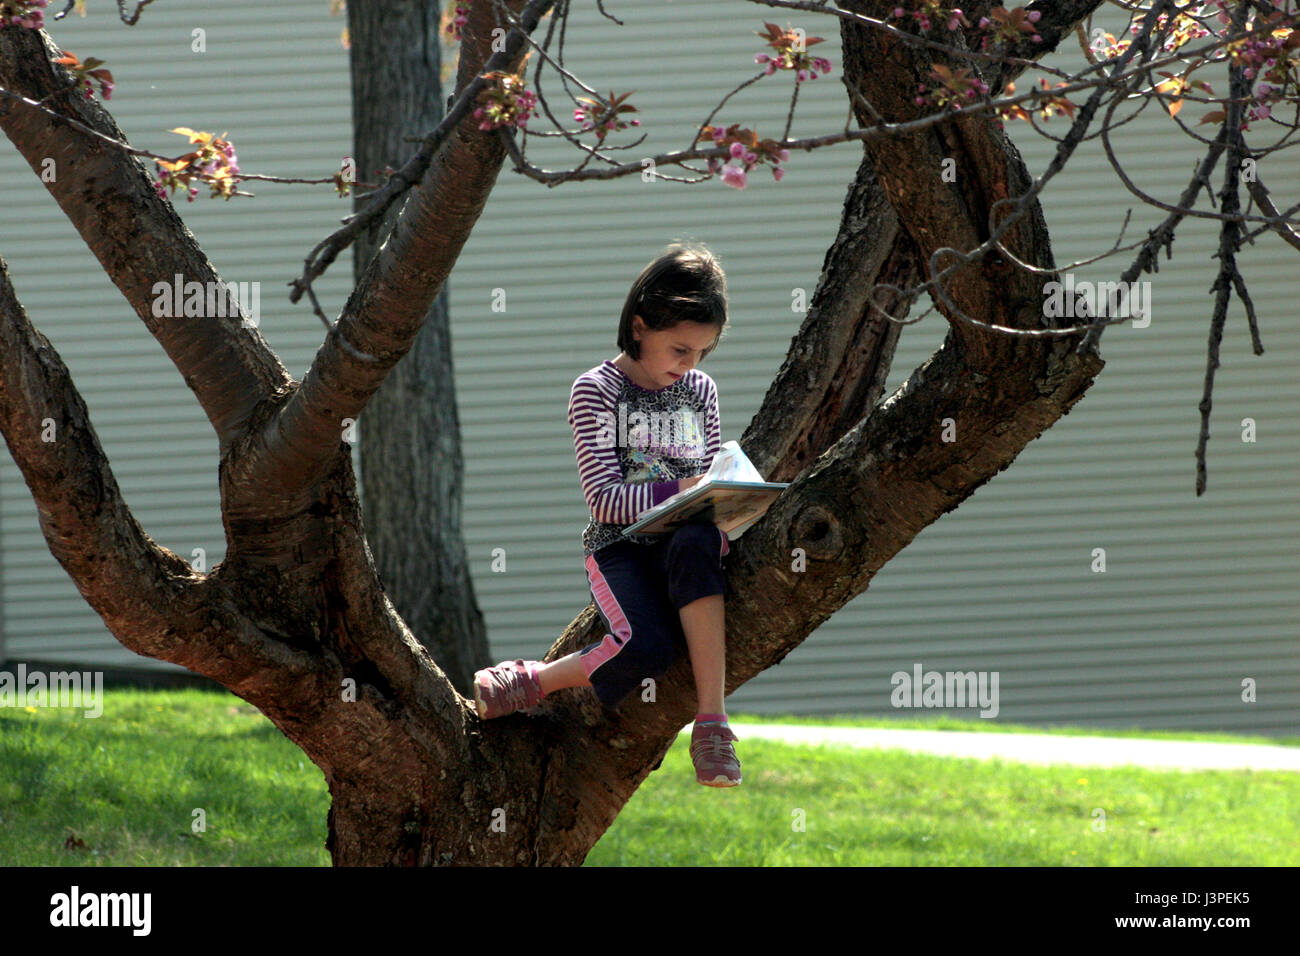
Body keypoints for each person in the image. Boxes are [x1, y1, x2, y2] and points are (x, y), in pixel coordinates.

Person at [473, 241, 742, 787]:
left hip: (687, 543)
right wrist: (681, 488)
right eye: (679, 349)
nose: (689, 365)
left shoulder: (702, 392)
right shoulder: (596, 391)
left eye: (701, 353)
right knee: (648, 646)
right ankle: (536, 679)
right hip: (620, 548)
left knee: (695, 543)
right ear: (640, 326)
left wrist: (726, 496)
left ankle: (713, 725)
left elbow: (707, 483)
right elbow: (605, 500)